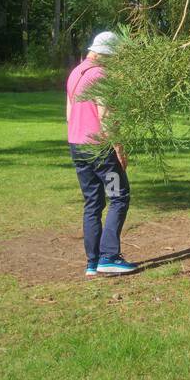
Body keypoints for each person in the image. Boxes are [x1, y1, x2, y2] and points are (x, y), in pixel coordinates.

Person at [66, 32, 137, 276]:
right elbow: (106, 115)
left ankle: (92, 262)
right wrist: (119, 148)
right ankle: (109, 256)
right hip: (100, 149)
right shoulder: (100, 75)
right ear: (104, 54)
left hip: (77, 145)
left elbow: (68, 113)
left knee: (93, 203)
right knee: (119, 196)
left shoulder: (76, 73)